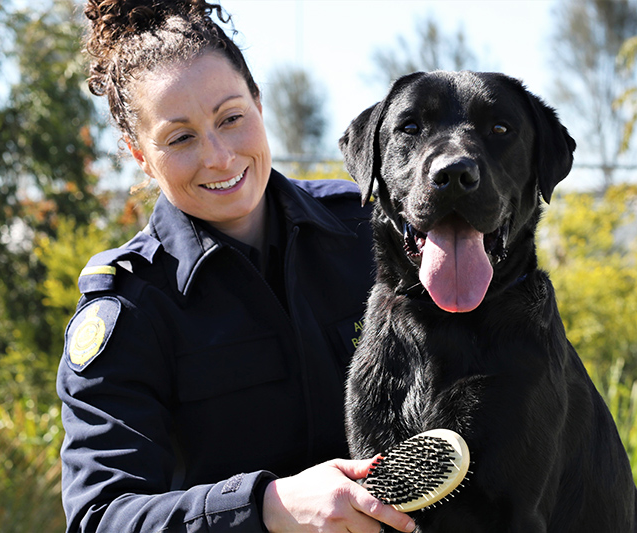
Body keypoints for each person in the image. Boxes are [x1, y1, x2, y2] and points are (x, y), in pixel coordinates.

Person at [56, 1, 417, 532]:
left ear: (259, 104)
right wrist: (267, 506)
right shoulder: (131, 308)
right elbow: (101, 517)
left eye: (231, 118)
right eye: (180, 138)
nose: (220, 156)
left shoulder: (369, 233)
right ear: (139, 154)